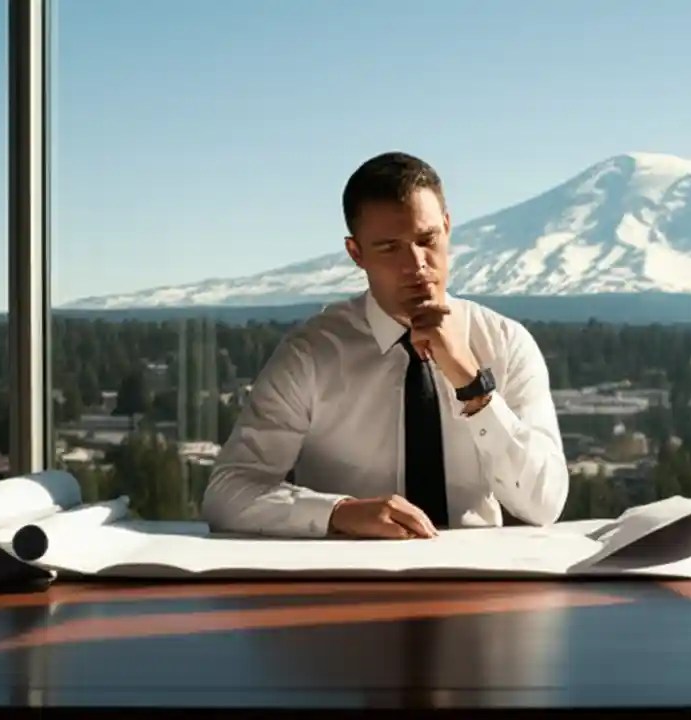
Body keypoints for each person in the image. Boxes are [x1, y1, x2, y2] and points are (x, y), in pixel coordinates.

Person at [201, 151, 567, 539]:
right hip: (348, 583)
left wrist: (473, 385)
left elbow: (544, 504)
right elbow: (227, 494)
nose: (416, 265)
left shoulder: (505, 343)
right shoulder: (312, 354)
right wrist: (337, 512)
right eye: (390, 248)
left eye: (427, 240)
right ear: (355, 253)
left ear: (447, 227)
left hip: (480, 584)